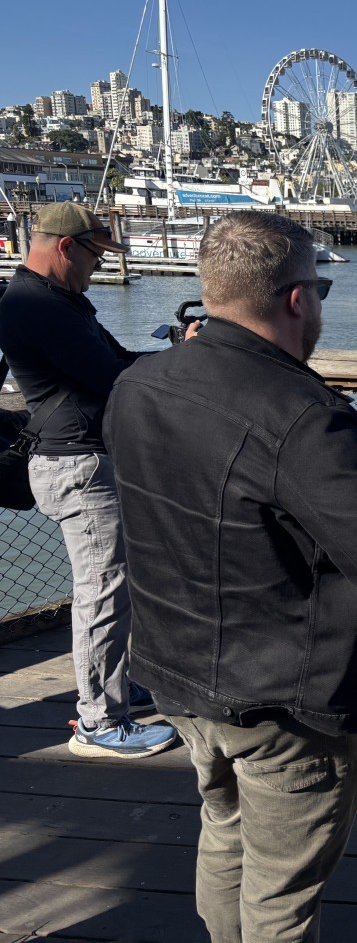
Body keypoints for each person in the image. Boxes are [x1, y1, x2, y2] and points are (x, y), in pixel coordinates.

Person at [103, 211, 357, 942]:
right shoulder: (305, 416)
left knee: (226, 832)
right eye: (322, 290)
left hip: (175, 672)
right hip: (285, 700)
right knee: (282, 892)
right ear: (297, 297)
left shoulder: (138, 383)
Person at [0, 202, 177, 759]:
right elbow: (115, 376)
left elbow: (120, 359)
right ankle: (99, 720)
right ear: (65, 247)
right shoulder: (36, 305)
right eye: (96, 256)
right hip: (77, 467)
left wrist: (179, 353)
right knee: (102, 591)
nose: (99, 267)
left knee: (114, 586)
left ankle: (113, 686)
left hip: (87, 460)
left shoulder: (58, 300)